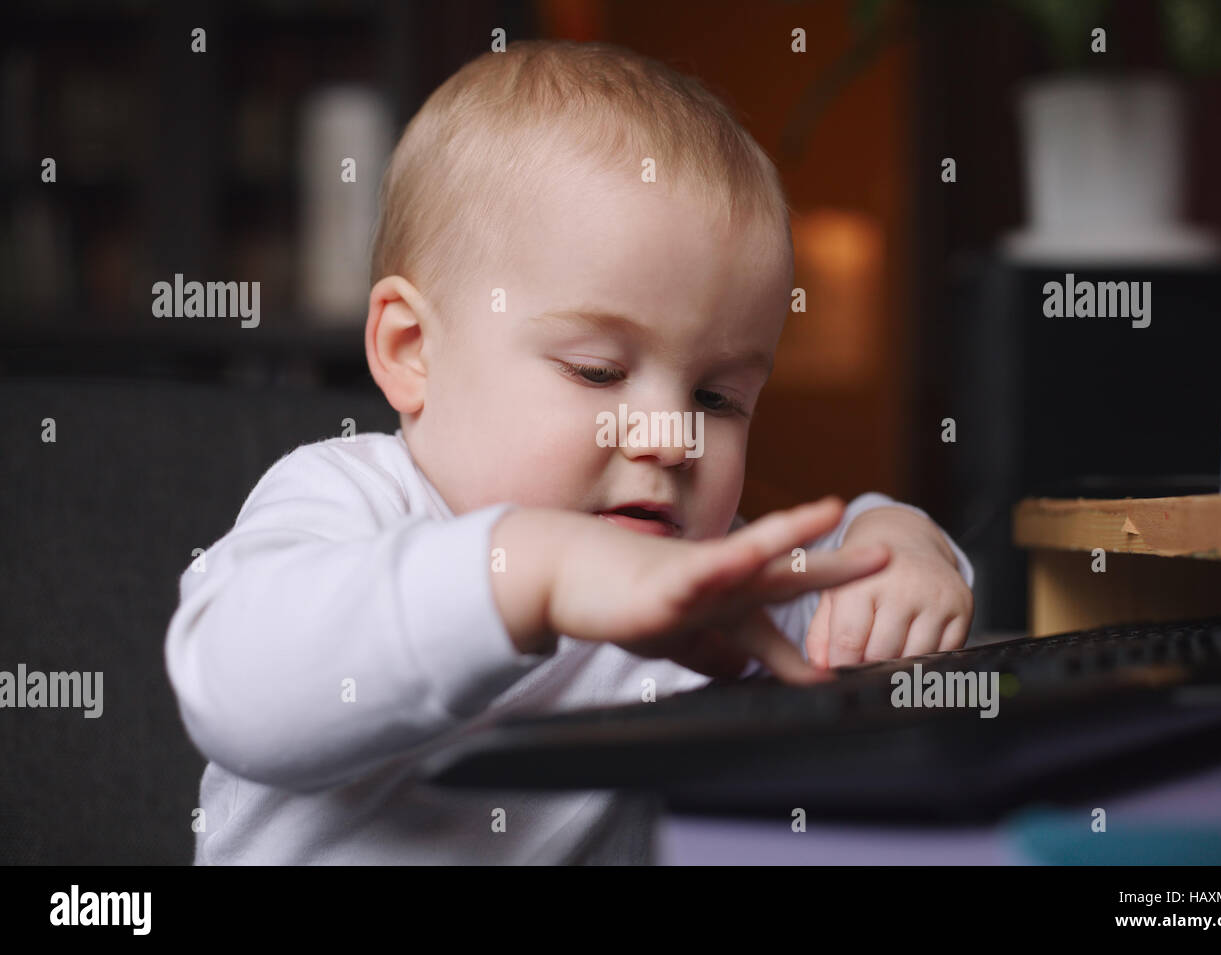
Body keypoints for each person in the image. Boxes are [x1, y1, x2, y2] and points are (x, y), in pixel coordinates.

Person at [164, 39, 974, 865]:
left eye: (716, 397)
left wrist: (899, 545)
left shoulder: (698, 578)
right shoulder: (354, 499)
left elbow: (842, 572)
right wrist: (534, 572)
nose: (671, 436)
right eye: (598, 371)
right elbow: (234, 689)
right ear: (413, 349)